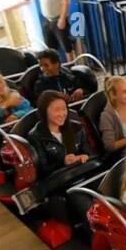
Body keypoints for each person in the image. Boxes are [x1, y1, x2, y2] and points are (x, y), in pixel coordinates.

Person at [28, 90, 94, 220]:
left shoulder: (76, 128)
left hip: (82, 174)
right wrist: (63, 162)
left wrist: (84, 156)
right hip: (59, 182)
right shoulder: (35, 136)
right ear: (44, 111)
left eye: (64, 109)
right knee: (84, 204)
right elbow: (42, 170)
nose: (62, 113)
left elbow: (90, 153)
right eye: (56, 110)